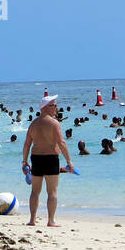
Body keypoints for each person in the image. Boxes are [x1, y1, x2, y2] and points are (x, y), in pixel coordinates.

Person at [21, 95, 73, 227]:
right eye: (53, 105)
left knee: (35, 191)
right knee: (52, 192)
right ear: (44, 108)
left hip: (36, 158)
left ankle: (32, 220)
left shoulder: (33, 124)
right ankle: (51, 221)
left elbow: (27, 144)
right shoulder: (54, 123)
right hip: (51, 158)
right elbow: (61, 142)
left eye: (56, 105)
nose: (56, 107)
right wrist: (69, 162)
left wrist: (24, 161)